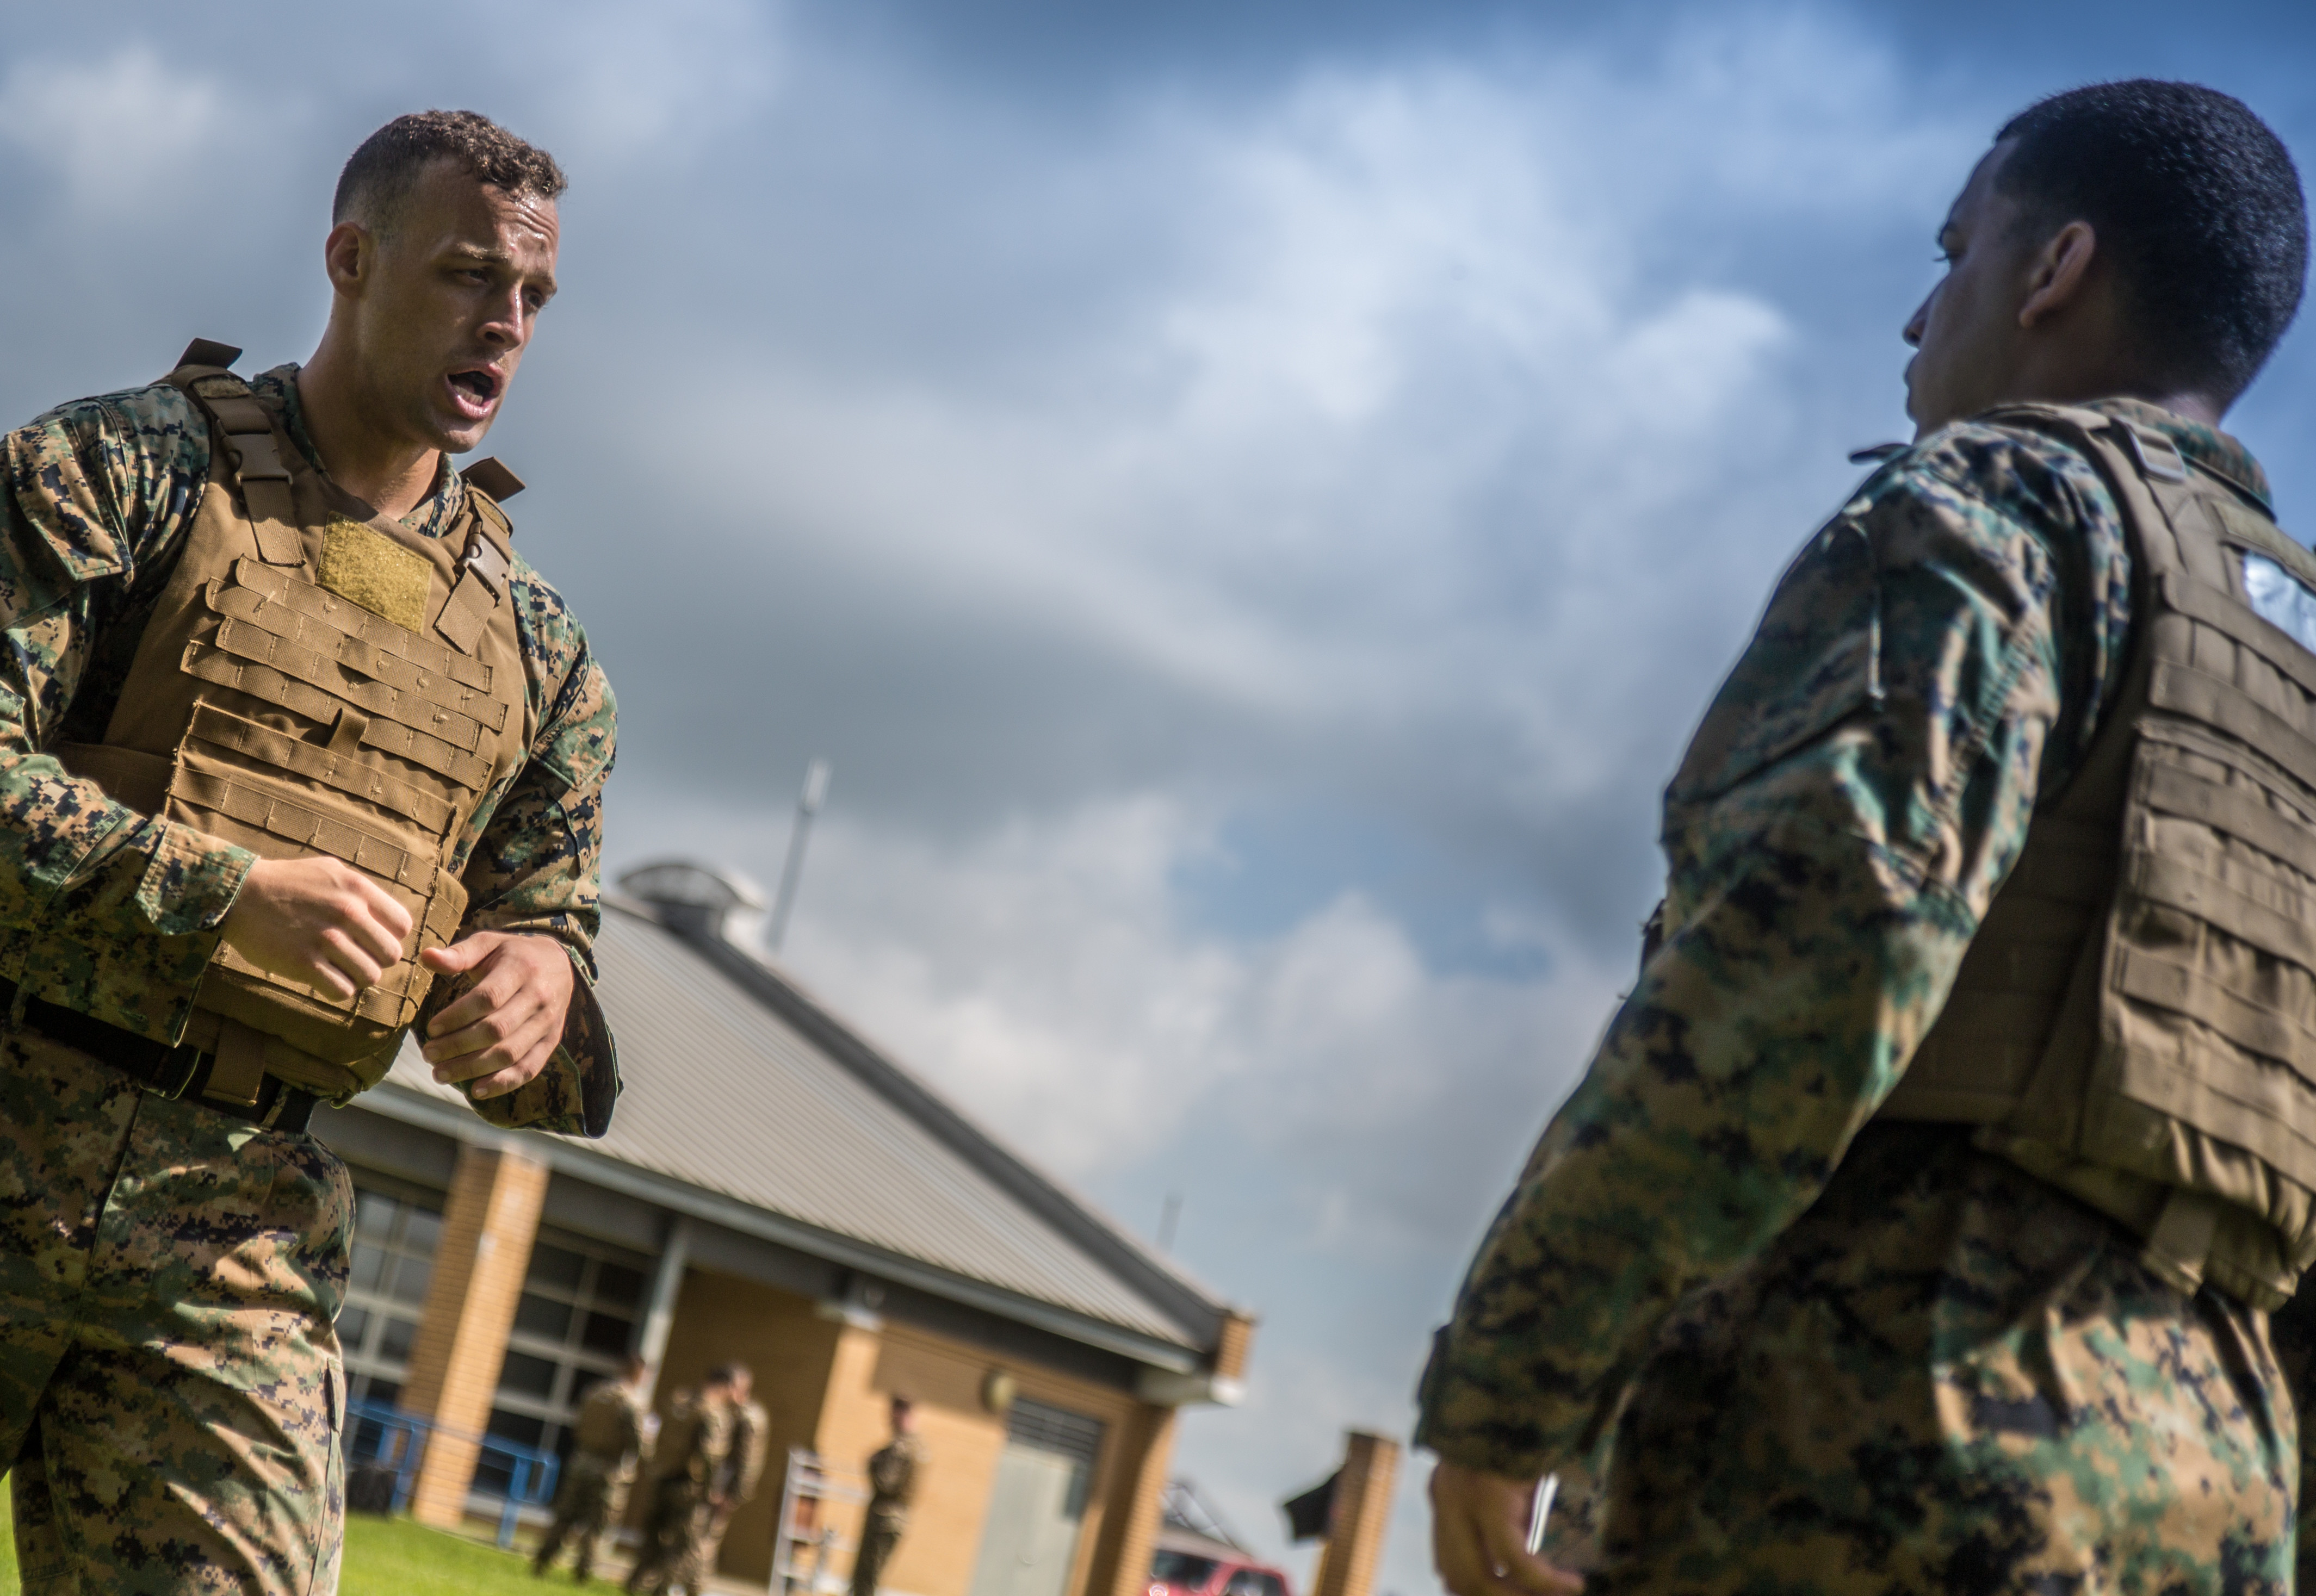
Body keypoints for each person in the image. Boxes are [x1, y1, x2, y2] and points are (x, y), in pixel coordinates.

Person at [1421, 80, 2314, 1596]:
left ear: (2056, 270)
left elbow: (1823, 939)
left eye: (1954, 252)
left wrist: (1519, 1374)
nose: (1916, 315)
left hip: (1882, 1427)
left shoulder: (2004, 504)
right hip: (2222, 1494)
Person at [0, 109, 619, 1594]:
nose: (508, 321)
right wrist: (218, 897)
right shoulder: (121, 467)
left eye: (534, 294)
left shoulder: (541, 658)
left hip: (234, 1246)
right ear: (351, 259)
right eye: (470, 274)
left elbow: (556, 991)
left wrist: (541, 989)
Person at [535, 1355, 653, 1584]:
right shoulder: (632, 1401)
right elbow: (639, 1442)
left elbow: (579, 1425)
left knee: (566, 1515)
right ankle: (583, 1573)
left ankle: (543, 1559)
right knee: (599, 1523)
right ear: (639, 1374)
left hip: (582, 1462)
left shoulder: (596, 1393)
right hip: (610, 1470)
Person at [627, 1368, 738, 1596]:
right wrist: (711, 1490)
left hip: (663, 1479)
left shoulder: (679, 1402)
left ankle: (634, 1585)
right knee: (683, 1546)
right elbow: (709, 1454)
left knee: (653, 1537)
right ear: (725, 1387)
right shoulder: (713, 1413)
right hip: (690, 1487)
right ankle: (662, 1591)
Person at [675, 1364, 769, 1593]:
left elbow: (749, 1463)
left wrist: (732, 1495)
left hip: (721, 1489)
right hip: (709, 1485)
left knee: (703, 1541)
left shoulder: (748, 1417)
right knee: (694, 1537)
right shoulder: (726, 1411)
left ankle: (694, 1589)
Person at [851, 1396, 923, 1596]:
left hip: (885, 1519)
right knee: (869, 1577)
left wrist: (873, 1463)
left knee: (866, 1578)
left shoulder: (901, 1447)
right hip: (894, 1518)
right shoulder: (917, 1445)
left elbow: (886, 1483)